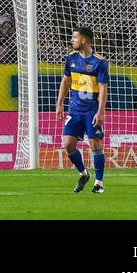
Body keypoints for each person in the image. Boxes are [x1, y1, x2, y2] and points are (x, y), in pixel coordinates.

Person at [55, 25, 108, 195]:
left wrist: (100, 112)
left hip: (91, 111)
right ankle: (83, 173)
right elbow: (65, 81)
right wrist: (59, 103)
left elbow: (103, 88)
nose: (72, 40)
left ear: (84, 40)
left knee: (95, 144)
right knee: (68, 144)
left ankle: (99, 183)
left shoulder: (99, 62)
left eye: (75, 37)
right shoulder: (70, 58)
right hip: (75, 110)